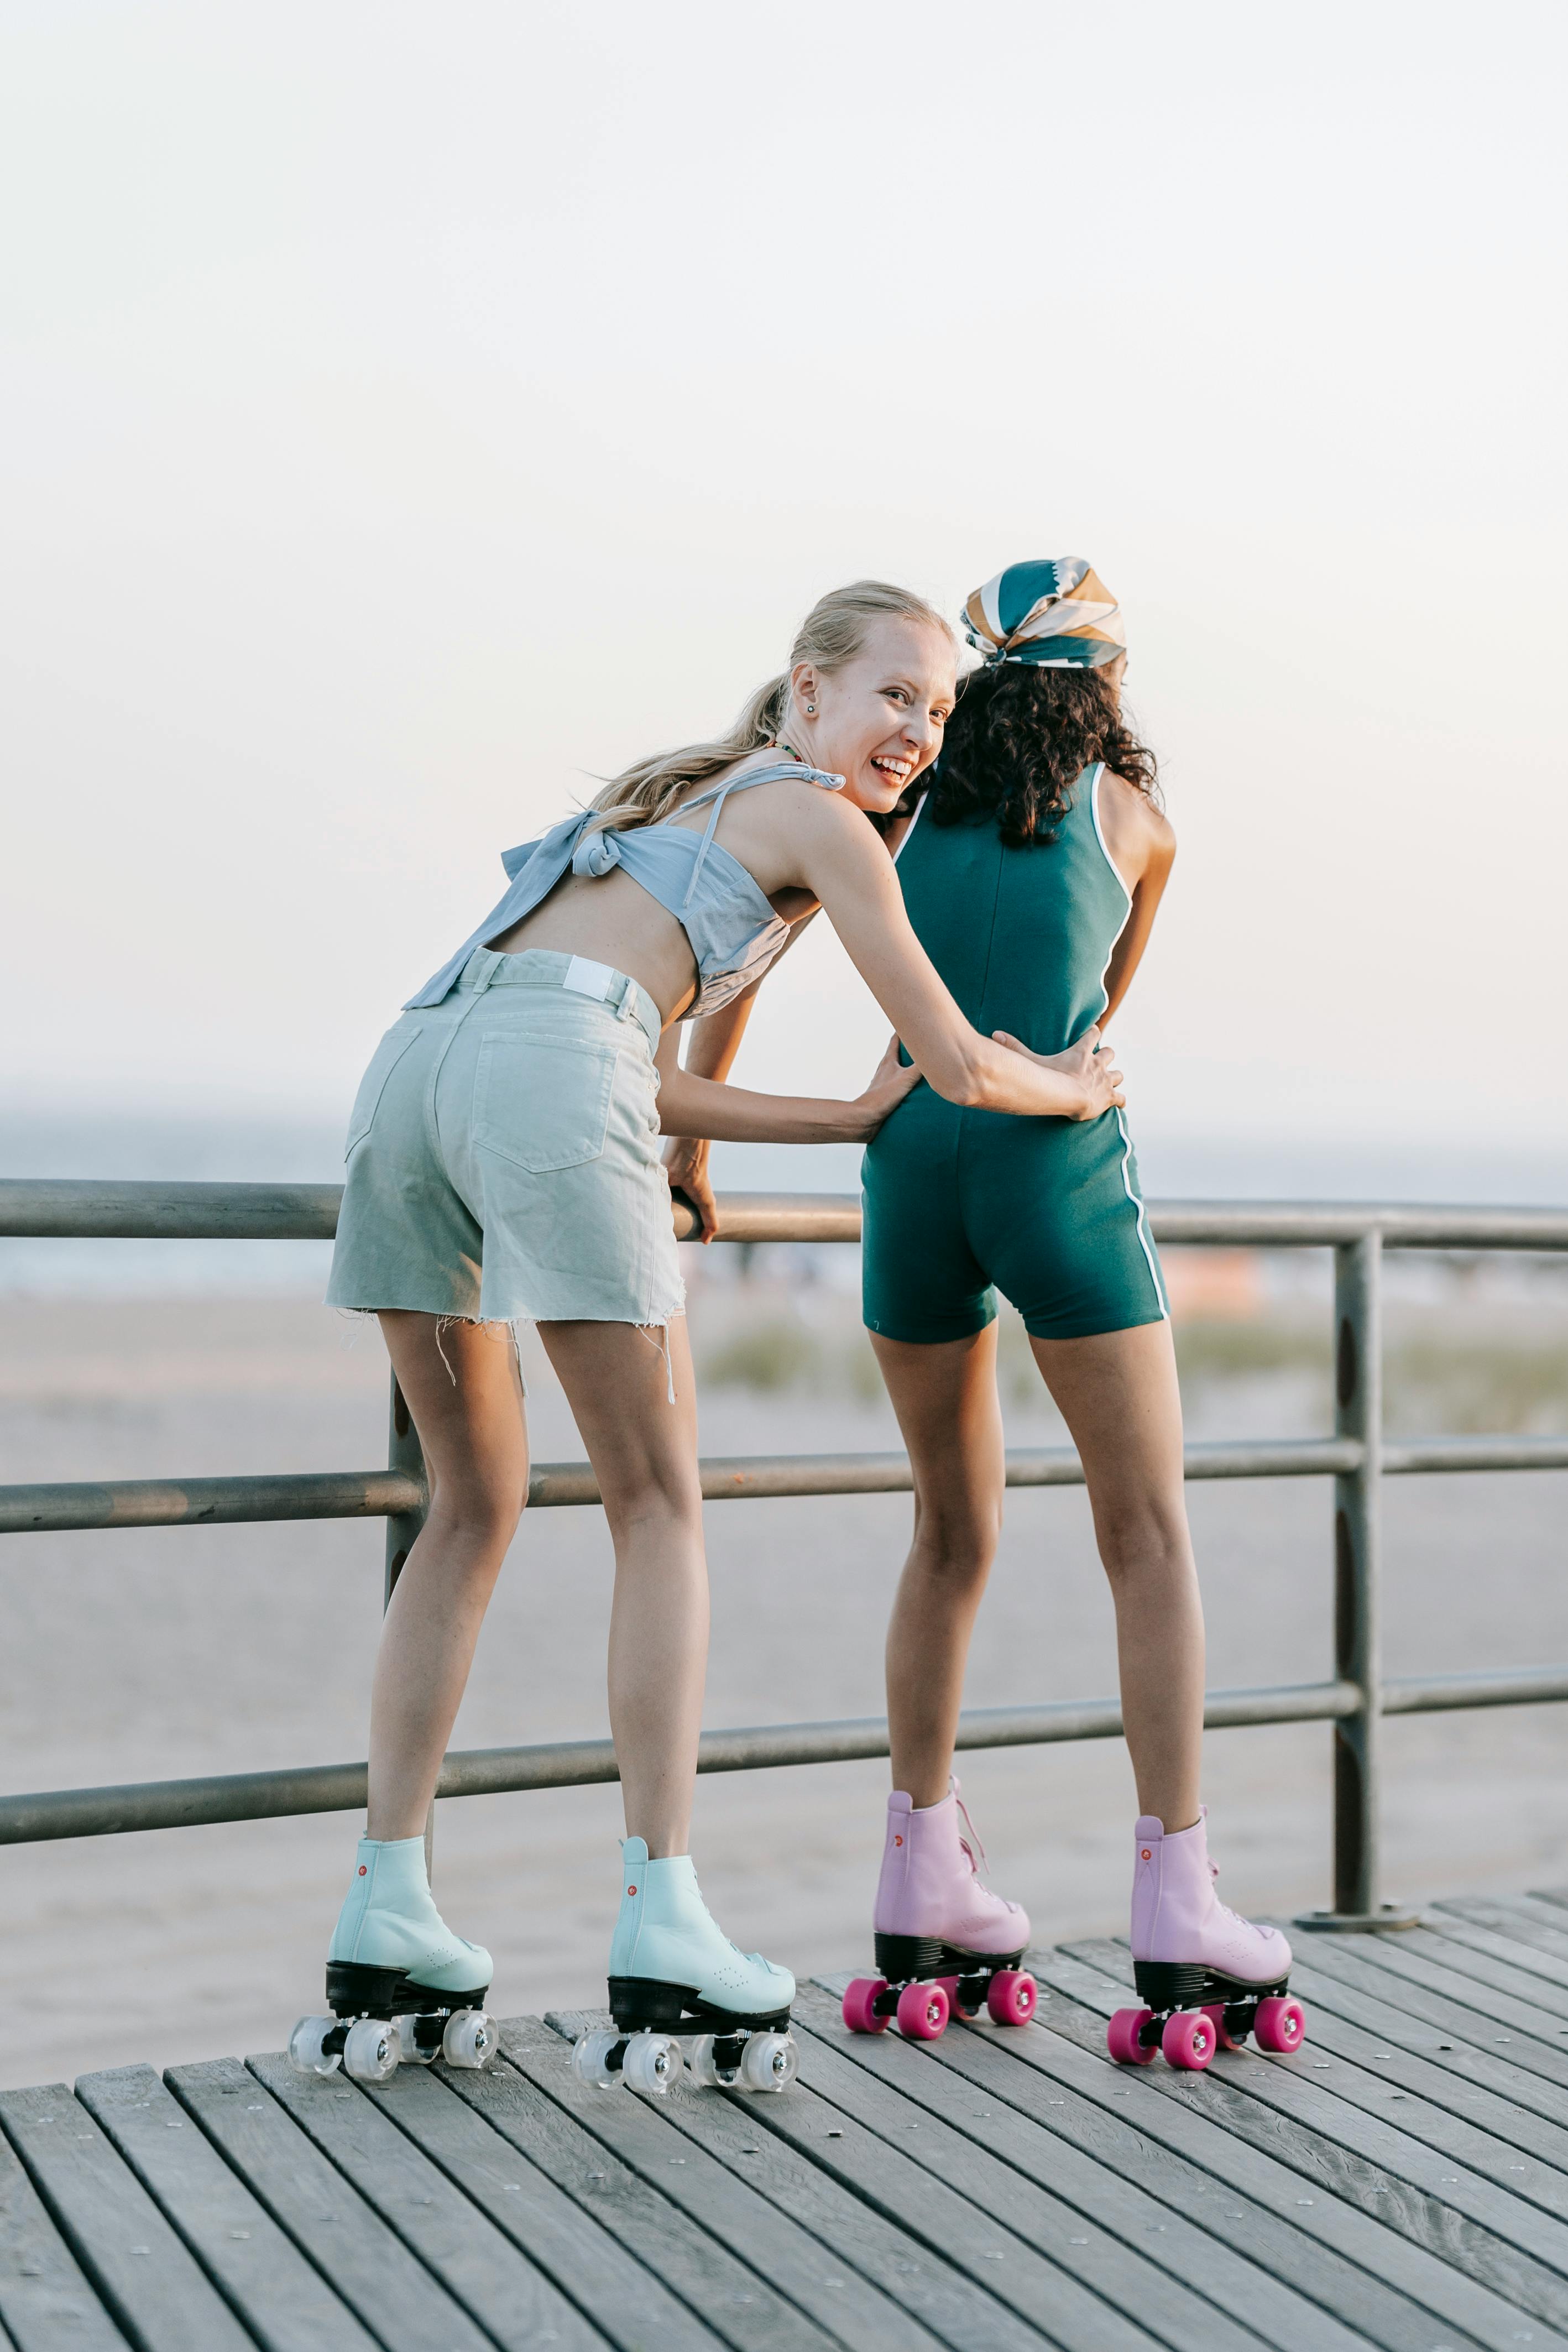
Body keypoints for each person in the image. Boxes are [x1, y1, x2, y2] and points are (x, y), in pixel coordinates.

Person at [294, 577, 1123, 2090]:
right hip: (543, 1068)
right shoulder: (813, 812)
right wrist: (1079, 1084)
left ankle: (385, 1908)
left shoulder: (681, 795)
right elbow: (946, 1053)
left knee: (470, 1502)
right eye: (891, 693)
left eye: (936, 711)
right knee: (658, 1505)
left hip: (417, 1066)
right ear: (804, 688)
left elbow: (604, 1045)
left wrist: (807, 1126)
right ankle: (663, 1917)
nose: (915, 733)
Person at [669, 561, 1295, 2068]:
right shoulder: (1137, 826)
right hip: (1053, 1172)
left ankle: (919, 1875)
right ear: (1109, 684)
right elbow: (1093, 1027)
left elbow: (735, 971)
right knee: (1142, 1532)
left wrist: (692, 1148)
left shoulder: (879, 814)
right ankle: (1176, 1900)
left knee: (948, 1533)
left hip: (907, 1169)